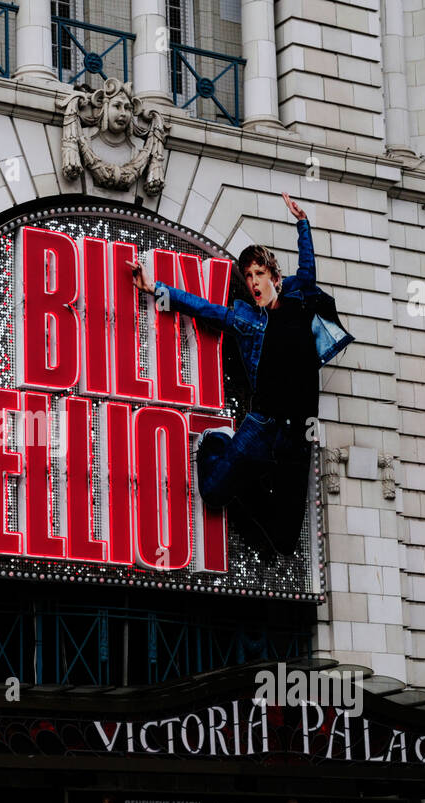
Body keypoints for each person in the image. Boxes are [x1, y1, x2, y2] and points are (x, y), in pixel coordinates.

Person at [132, 192, 353, 557]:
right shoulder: (245, 319)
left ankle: (254, 480)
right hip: (262, 426)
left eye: (259, 275)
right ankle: (215, 442)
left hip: (298, 432)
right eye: (248, 276)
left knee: (284, 542)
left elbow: (309, 269)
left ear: (276, 278)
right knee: (215, 491)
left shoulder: (299, 301)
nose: (253, 283)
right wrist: (155, 288)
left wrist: (302, 223)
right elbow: (204, 308)